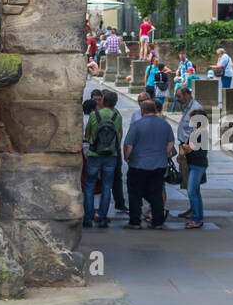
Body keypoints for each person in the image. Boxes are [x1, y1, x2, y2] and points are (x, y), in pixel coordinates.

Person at [123, 97, 175, 229]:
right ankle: (157, 222)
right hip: (159, 164)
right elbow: (170, 143)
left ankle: (134, 221)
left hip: (138, 164)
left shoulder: (136, 125)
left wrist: (127, 157)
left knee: (135, 193)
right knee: (156, 193)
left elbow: (128, 144)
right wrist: (165, 154)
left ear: (142, 111)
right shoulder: (165, 125)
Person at [83, 90, 122, 228]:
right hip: (111, 156)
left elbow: (87, 136)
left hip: (94, 155)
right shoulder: (117, 116)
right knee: (106, 187)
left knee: (89, 186)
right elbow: (119, 136)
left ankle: (88, 218)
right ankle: (103, 217)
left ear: (103, 100)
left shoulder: (94, 114)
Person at [176, 85, 208, 229]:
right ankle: (195, 213)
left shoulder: (199, 131)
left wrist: (185, 147)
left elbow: (192, 146)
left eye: (179, 95)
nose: (177, 99)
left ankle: (197, 218)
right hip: (193, 159)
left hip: (196, 161)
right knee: (193, 189)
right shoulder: (190, 110)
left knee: (192, 189)